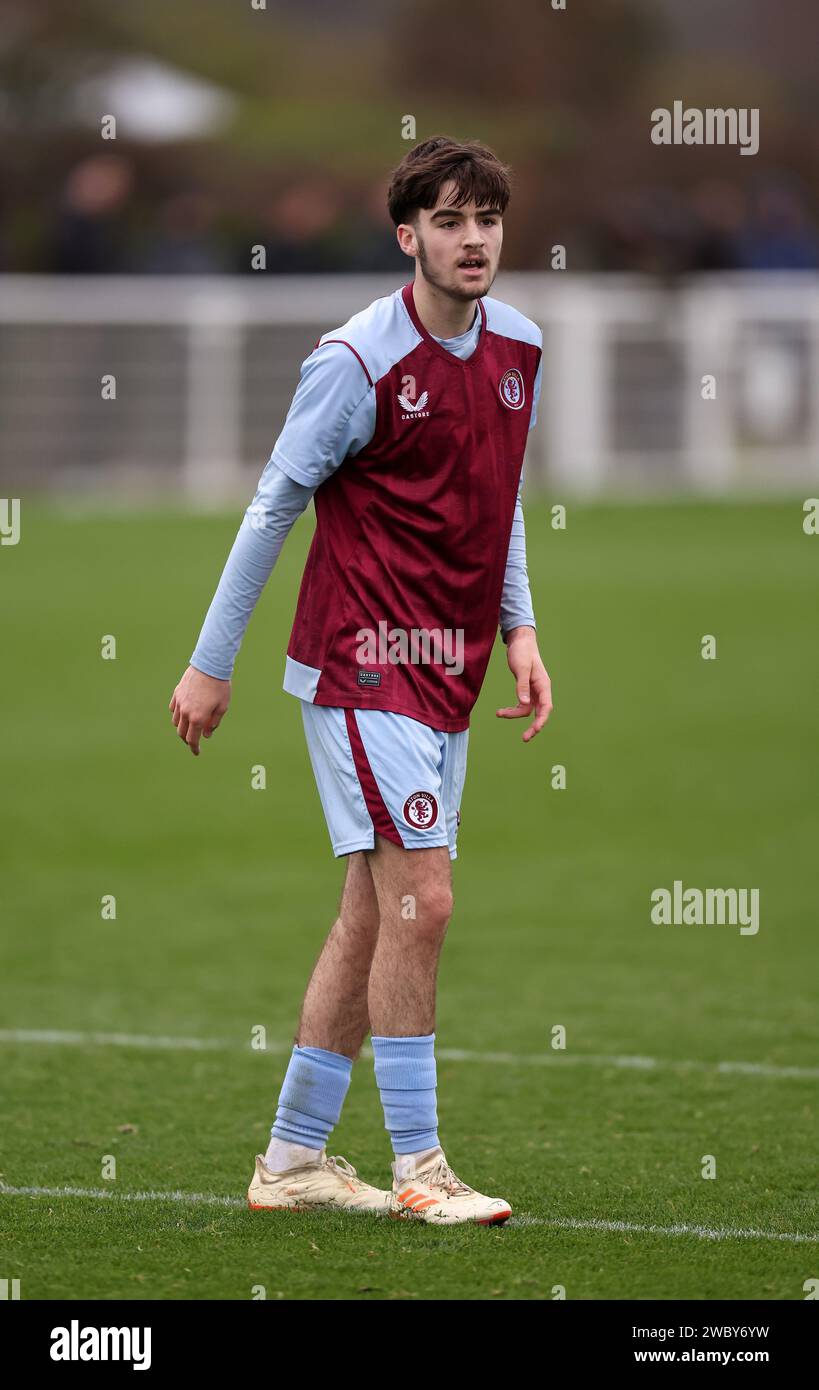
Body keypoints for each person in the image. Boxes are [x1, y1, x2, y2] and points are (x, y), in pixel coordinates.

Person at [169, 135, 553, 1225]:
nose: (471, 239)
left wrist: (520, 629)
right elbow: (270, 507)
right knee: (423, 902)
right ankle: (422, 1167)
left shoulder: (521, 343)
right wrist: (211, 661)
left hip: (452, 671)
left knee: (372, 910)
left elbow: (499, 491)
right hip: (361, 664)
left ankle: (292, 1158)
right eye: (448, 220)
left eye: (486, 219)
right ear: (408, 236)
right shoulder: (356, 362)